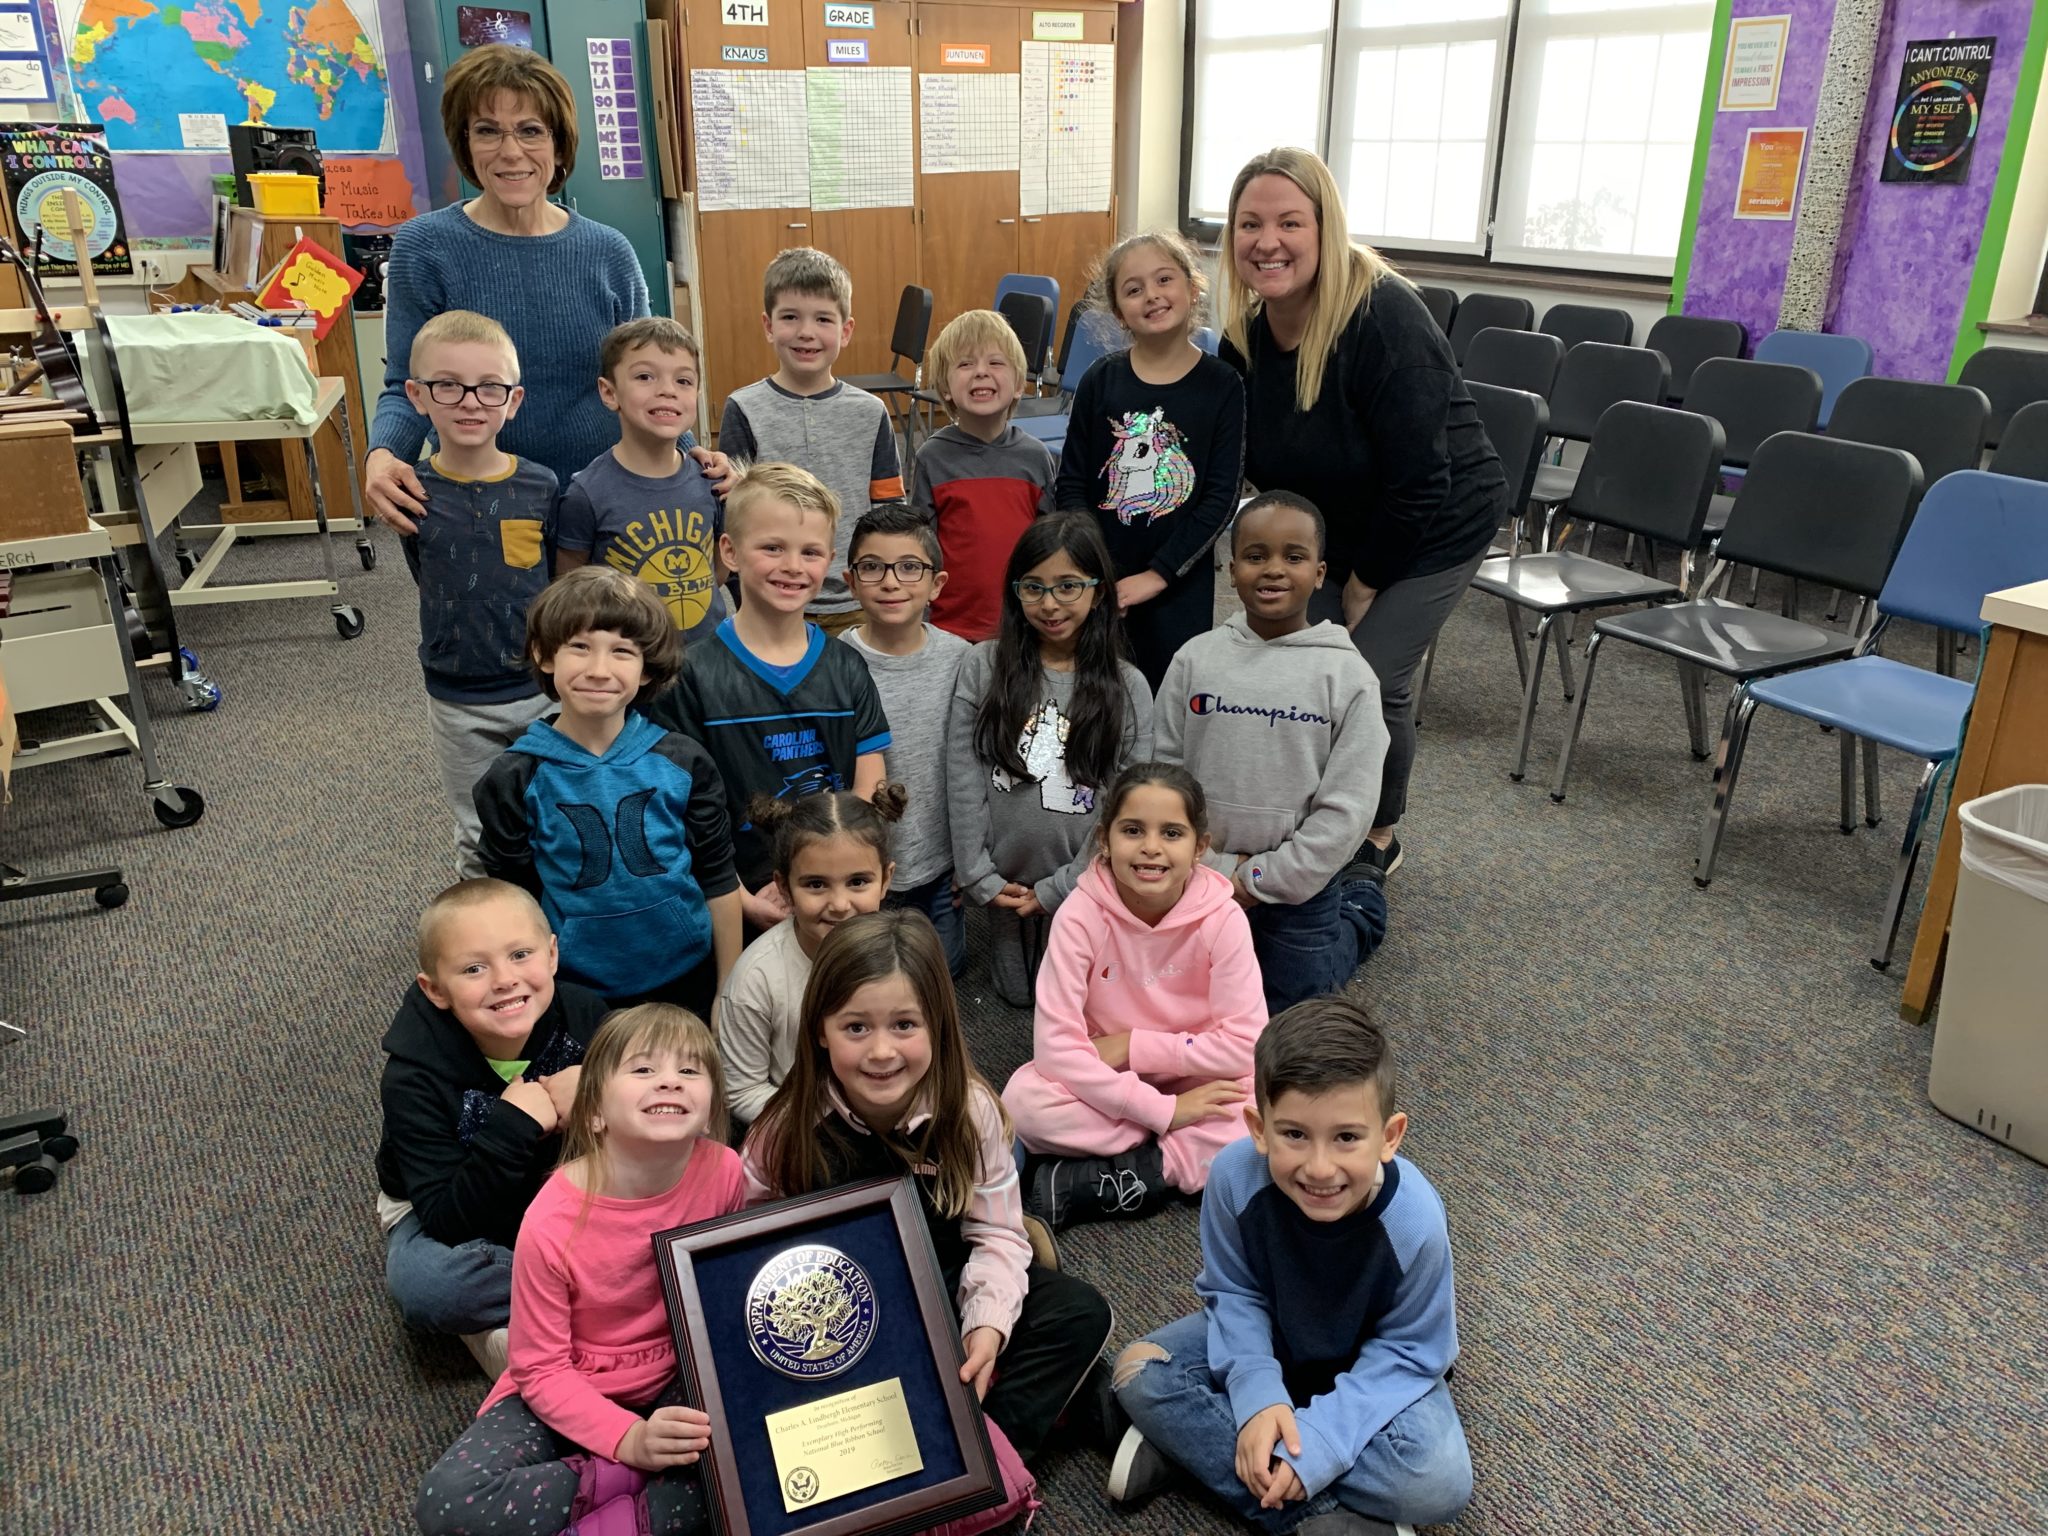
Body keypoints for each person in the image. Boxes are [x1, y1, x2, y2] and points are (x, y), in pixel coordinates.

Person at [1219, 147, 1508, 879]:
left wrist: (1364, 580)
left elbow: (1421, 479)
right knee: (1290, 663)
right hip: (1333, 524)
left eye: (1289, 221)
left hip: (1435, 521)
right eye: (1249, 224)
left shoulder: (1385, 318)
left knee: (1370, 678)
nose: (1267, 241)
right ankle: (1306, 809)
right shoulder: (1245, 336)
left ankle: (1380, 832)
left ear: (1325, 227)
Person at [743, 910, 1113, 1464]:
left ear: (937, 1024)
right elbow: (746, 1248)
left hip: (944, 1281)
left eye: (904, 1025)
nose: (882, 1051)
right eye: (856, 1027)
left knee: (1079, 1313)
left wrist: (986, 1326)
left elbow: (992, 1234)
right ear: (820, 1030)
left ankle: (987, 1463)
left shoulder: (971, 1111)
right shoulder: (782, 1129)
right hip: (835, 1315)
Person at [1107, 995, 1472, 1534]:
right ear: (1259, 1127)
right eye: (1294, 1135)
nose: (1319, 1167)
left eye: (1347, 1137)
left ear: (1389, 1137)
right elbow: (1233, 1295)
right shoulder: (1232, 1178)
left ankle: (1198, 1449)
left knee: (1438, 1480)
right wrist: (1256, 1393)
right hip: (1269, 1338)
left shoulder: (1415, 1219)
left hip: (1371, 1365)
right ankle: (1320, 1519)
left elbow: (1415, 1353)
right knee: (1138, 1372)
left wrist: (1322, 1441)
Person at [415, 1005, 745, 1536]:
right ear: (594, 1112)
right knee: (450, 1502)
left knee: (746, 1464)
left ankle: (628, 1504)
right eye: (642, 1070)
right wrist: (630, 1443)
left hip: (679, 1375)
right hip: (570, 1384)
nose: (669, 1081)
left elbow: (725, 1298)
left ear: (709, 1109)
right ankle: (628, 1488)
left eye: (689, 1071)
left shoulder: (725, 1171)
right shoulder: (552, 1218)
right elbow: (541, 1370)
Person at [367, 45, 725, 524]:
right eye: (487, 131)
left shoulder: (609, 252)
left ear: (559, 146)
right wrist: (383, 453)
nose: (510, 151)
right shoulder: (426, 246)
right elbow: (406, 385)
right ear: (465, 144)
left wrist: (689, 452)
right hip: (484, 500)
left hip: (606, 498)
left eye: (530, 130)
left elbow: (650, 377)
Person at [1155, 492, 1390, 1013]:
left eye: (1294, 556)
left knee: (1294, 1013)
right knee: (1185, 1005)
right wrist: (1215, 868)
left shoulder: (1348, 678)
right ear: (1232, 568)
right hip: (1200, 875)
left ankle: (1361, 907)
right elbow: (1160, 778)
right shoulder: (1195, 660)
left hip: (1302, 893)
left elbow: (1348, 810)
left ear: (1321, 572)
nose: (1274, 570)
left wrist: (1260, 880)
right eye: (1256, 556)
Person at [1004, 763, 1266, 1229]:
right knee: (1022, 1103)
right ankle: (1170, 1156)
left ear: (1200, 848)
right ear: (1104, 840)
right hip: (1108, 1076)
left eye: (1171, 833)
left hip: (1197, 1074)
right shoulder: (1079, 916)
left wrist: (1133, 1045)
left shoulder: (1224, 919)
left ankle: (1140, 1172)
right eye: (1132, 830)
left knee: (1262, 1113)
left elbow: (1247, 1045)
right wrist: (1165, 1110)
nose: (1151, 847)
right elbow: (1056, 1052)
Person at [474, 567, 742, 1017]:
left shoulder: (685, 762)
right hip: (576, 987)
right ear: (544, 655)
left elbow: (717, 875)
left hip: (688, 972)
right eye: (579, 647)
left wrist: (728, 987)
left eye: (622, 651)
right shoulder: (514, 778)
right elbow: (513, 901)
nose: (599, 670)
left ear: (646, 668)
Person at [377, 879, 608, 1381]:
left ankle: (548, 1318)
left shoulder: (587, 1014)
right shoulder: (411, 1078)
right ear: (435, 989)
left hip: (563, 1185)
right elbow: (447, 1220)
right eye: (474, 969)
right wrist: (513, 1126)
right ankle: (601, 1294)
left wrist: (598, 1095)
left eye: (520, 954)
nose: (504, 980)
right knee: (429, 1287)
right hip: (448, 1206)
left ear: (552, 955)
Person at [645, 463, 891, 931]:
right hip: (733, 893)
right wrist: (736, 896)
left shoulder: (846, 665)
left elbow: (867, 793)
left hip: (834, 896)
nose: (793, 566)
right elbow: (678, 806)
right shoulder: (691, 675)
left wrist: (835, 882)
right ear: (730, 552)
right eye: (772, 547)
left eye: (810, 551)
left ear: (831, 560)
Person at [946, 515, 1153, 1007]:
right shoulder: (983, 664)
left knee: (1074, 998)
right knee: (1017, 996)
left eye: (1067, 587)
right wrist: (977, 873)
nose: (1049, 603)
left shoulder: (1127, 686)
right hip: (1001, 878)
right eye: (1033, 587)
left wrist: (1064, 884)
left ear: (1098, 593)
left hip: (1086, 878)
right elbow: (962, 770)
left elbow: (1126, 801)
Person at [393, 310, 557, 876]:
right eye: (448, 385)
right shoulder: (411, 490)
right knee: (477, 827)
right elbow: (427, 573)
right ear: (418, 395)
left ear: (513, 401)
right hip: (458, 695)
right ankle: (486, 937)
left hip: (541, 688)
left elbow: (555, 581)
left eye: (490, 388)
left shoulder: (541, 485)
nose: (469, 401)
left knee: (553, 809)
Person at [1056, 230, 1246, 689]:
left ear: (1192, 288)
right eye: (1134, 289)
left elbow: (1221, 498)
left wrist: (1158, 575)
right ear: (1120, 313)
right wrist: (1091, 568)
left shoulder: (1223, 384)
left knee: (1168, 702)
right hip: (1099, 578)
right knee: (1097, 697)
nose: (1152, 296)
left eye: (1164, 279)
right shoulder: (1102, 379)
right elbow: (1073, 482)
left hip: (1176, 583)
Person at [717, 247, 905, 634]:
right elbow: (733, 515)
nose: (806, 332)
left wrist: (884, 582)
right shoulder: (744, 407)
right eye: (790, 317)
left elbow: (890, 510)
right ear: (768, 326)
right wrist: (745, 597)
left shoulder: (871, 412)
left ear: (845, 330)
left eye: (823, 319)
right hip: (771, 600)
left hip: (856, 604)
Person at [839, 504, 973, 976]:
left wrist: (969, 859)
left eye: (909, 567)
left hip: (939, 866)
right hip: (860, 872)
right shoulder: (833, 663)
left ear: (936, 584)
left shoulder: (962, 660)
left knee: (942, 975)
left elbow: (975, 766)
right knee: (866, 979)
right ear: (851, 581)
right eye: (872, 567)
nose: (891, 582)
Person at [718, 785, 903, 1128]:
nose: (840, 904)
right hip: (806, 1128)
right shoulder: (756, 979)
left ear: (886, 879)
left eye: (858, 882)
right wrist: (834, 1120)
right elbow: (742, 1091)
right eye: (816, 885)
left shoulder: (908, 956)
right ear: (784, 887)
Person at [555, 318, 727, 650]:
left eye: (683, 380)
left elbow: (716, 572)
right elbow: (571, 586)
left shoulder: (710, 480)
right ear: (609, 392)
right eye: (645, 377)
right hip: (630, 666)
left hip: (707, 660)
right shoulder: (586, 493)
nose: (667, 390)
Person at [909, 308, 1056, 642]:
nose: (980, 373)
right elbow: (920, 550)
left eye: (995, 362)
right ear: (945, 388)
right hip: (949, 631)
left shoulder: (1035, 457)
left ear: (1019, 385)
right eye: (965, 364)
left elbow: (1048, 547)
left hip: (1023, 630)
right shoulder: (933, 458)